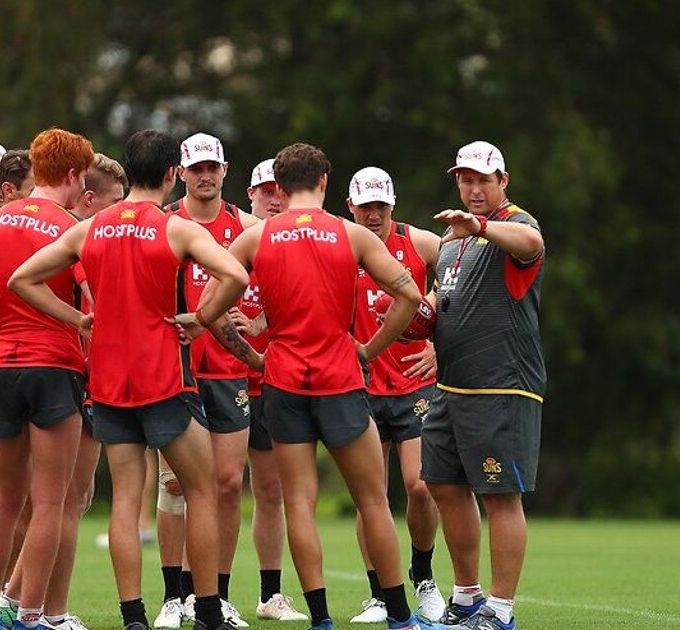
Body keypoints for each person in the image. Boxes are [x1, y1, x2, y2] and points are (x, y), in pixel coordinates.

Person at [9, 129, 250, 630]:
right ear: (170, 175)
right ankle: (207, 611)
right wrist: (201, 317)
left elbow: (21, 279)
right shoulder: (175, 229)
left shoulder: (90, 228)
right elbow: (237, 277)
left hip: (108, 384)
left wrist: (77, 319)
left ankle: (133, 617)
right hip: (164, 381)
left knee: (124, 498)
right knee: (202, 491)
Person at [190, 143, 432, 630]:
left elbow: (208, 311)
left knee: (298, 502)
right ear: (325, 182)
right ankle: (401, 615)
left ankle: (320, 618)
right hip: (341, 378)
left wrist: (254, 356)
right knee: (372, 500)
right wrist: (370, 348)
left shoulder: (256, 239)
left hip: (282, 382)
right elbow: (407, 293)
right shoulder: (351, 235)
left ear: (278, 187)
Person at [0, 128, 95, 630]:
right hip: (56, 368)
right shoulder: (70, 226)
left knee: (6, 500)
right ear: (74, 174)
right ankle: (33, 614)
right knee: (52, 501)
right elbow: (91, 310)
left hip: (7, 368)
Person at [0, 151, 128, 630]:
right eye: (115, 201)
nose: (121, 211)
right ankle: (49, 611)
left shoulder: (51, 228)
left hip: (32, 369)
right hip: (76, 376)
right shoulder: (81, 236)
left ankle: (10, 600)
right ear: (90, 198)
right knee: (67, 503)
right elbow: (94, 296)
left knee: (54, 500)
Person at [418, 141, 545, 630]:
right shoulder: (451, 240)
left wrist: (484, 227)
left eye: (482, 181)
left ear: (502, 182)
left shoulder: (517, 224)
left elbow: (531, 246)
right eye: (465, 180)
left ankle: (500, 610)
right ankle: (468, 598)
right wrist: (412, 312)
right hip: (452, 387)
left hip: (502, 385)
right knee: (443, 486)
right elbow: (442, 301)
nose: (473, 189)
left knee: (500, 496)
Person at [156, 133, 260, 629]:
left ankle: (216, 596)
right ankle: (174, 596)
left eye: (212, 167)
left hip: (229, 371)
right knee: (176, 485)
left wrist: (261, 326)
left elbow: (288, 283)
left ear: (225, 169)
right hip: (177, 371)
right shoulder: (164, 222)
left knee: (225, 484)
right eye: (195, 167)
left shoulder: (246, 225)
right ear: (180, 171)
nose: (204, 175)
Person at [341, 167, 445, 625]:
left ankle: (422, 575)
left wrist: (439, 343)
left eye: (381, 205)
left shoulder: (421, 243)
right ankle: (380, 593)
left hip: (413, 383)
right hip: (360, 384)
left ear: (393, 204)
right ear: (351, 207)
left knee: (420, 484)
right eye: (365, 206)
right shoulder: (340, 246)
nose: (374, 214)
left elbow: (464, 276)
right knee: (370, 495)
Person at [228, 157, 308, 623]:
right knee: (210, 489)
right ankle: (199, 596)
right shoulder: (234, 244)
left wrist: (264, 323)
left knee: (271, 491)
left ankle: (269, 594)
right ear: (251, 196)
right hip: (222, 382)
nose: (275, 199)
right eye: (266, 192)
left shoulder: (297, 247)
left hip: (274, 383)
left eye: (282, 191)